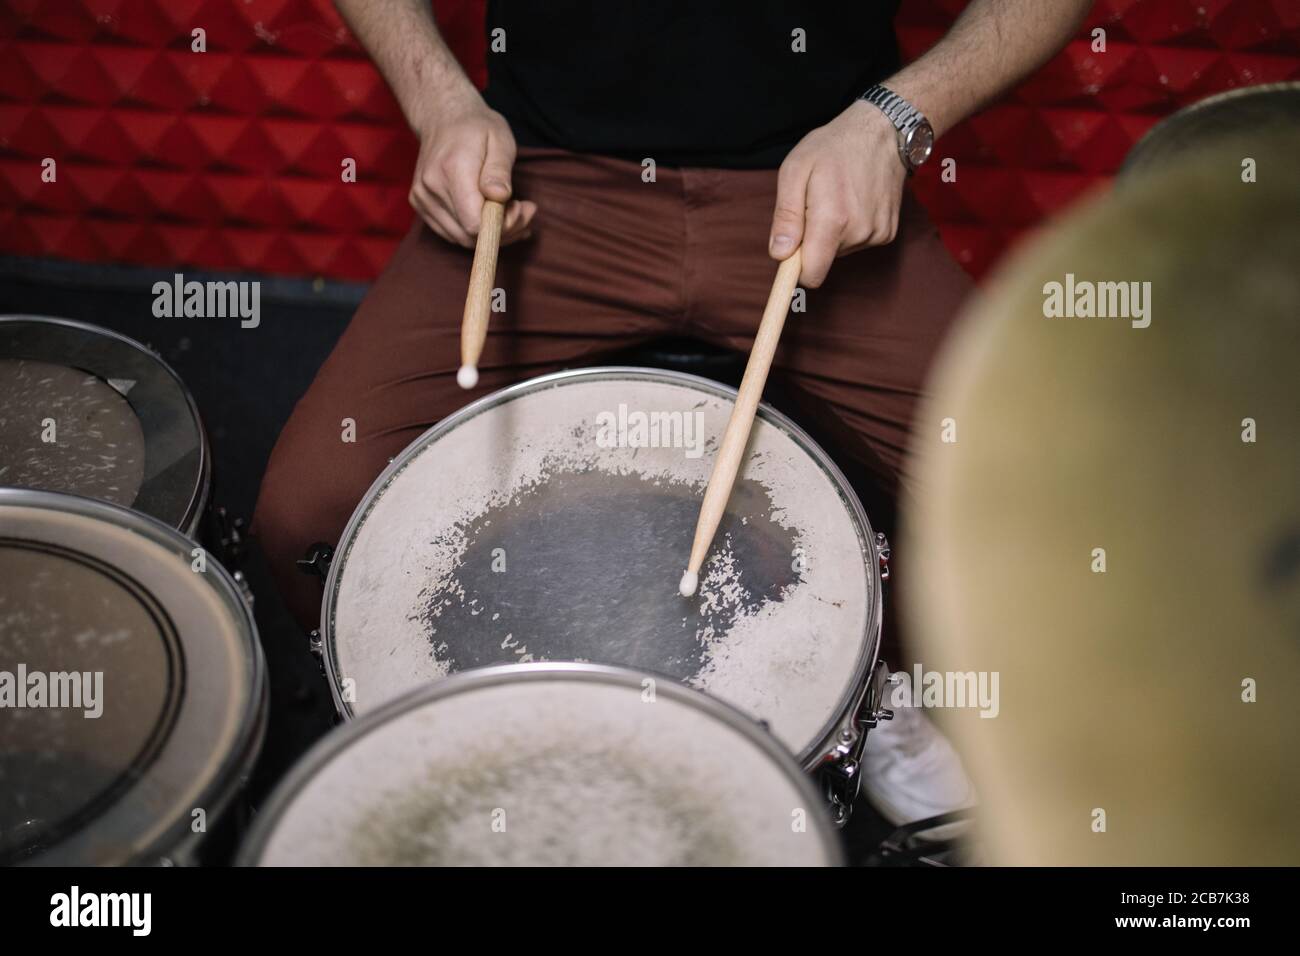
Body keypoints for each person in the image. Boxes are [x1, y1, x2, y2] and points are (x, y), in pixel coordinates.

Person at [255, 0, 1092, 826]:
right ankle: (437, 721)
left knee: (1036, 497)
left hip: (813, 175)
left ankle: (879, 694)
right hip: (546, 180)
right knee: (309, 509)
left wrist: (894, 120)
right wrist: (440, 104)